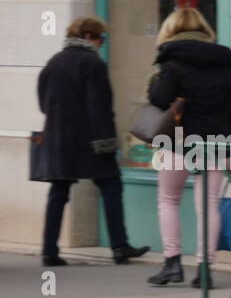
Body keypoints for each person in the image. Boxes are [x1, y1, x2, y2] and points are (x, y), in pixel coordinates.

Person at [35, 17, 148, 267]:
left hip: (58, 139)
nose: (102, 44)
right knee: (111, 187)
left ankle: (49, 251)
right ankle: (119, 246)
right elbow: (100, 108)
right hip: (90, 140)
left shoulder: (53, 62)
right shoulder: (93, 63)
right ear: (88, 36)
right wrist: (108, 142)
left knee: (58, 192)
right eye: (101, 39)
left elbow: (43, 102)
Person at [144, 7, 231, 288]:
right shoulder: (222, 59)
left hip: (178, 139)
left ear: (170, 30)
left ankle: (172, 263)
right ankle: (205, 270)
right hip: (218, 140)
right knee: (208, 206)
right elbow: (230, 106)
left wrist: (160, 82)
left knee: (168, 199)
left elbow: (160, 99)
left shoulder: (171, 59)